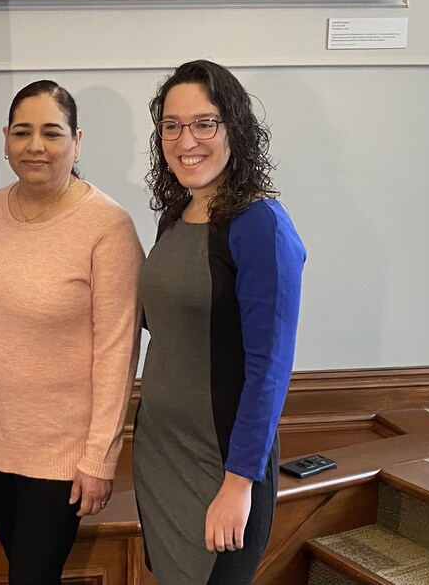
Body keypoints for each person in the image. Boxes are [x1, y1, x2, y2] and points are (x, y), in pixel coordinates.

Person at [0, 80, 144, 585]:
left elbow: (118, 351)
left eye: (52, 133)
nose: (35, 145)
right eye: (23, 132)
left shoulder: (108, 226)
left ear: (77, 141)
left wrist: (100, 456)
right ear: (6, 140)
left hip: (61, 453)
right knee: (25, 570)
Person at [133, 60, 305, 584]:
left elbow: (269, 369)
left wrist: (238, 483)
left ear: (235, 128)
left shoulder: (260, 225)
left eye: (204, 123)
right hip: (160, 456)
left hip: (221, 467)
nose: (187, 139)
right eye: (172, 124)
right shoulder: (173, 217)